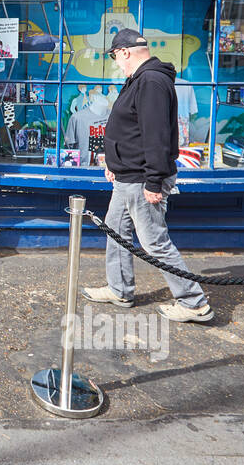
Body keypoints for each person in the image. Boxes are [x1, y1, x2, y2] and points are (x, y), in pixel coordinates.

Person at [82, 28, 213, 323]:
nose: (117, 63)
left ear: (125, 52)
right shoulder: (141, 79)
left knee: (154, 242)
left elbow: (156, 136)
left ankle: (194, 303)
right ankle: (119, 289)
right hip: (127, 177)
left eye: (116, 57)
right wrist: (114, 163)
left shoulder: (150, 81)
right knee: (116, 233)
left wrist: (154, 180)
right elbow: (131, 129)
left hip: (142, 180)